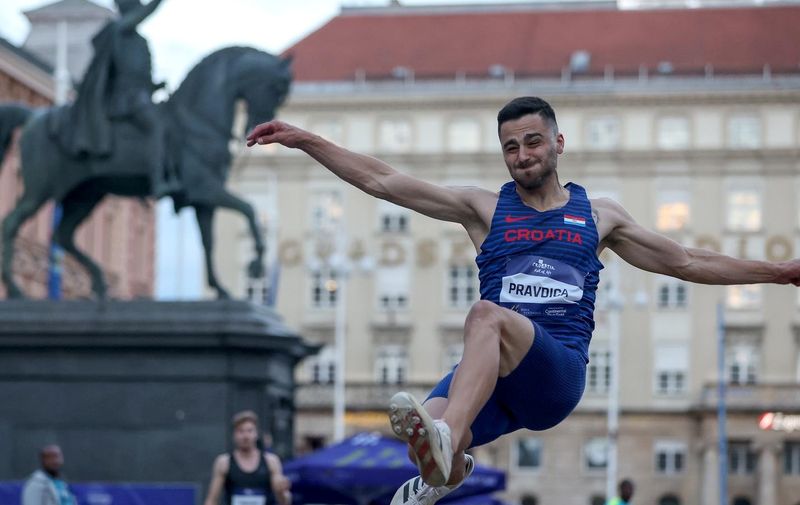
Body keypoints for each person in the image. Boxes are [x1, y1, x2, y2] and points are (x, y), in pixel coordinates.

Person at [245, 96, 800, 505]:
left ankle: (448, 445)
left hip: (554, 373)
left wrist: (779, 272)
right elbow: (385, 181)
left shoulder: (599, 216)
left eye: (533, 141)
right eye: (510, 146)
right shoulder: (483, 208)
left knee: (485, 316)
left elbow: (687, 261)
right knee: (420, 424)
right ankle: (448, 466)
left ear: (558, 144)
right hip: (493, 378)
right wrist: (306, 140)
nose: (522, 154)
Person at [55, 0, 179, 197]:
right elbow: (126, 77)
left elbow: (139, 75)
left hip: (141, 96)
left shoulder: (138, 41)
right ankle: (158, 181)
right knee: (157, 126)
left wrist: (156, 86)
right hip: (126, 99)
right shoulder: (119, 29)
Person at [204, 410, 291, 505]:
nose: (246, 436)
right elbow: (212, 500)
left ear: (256, 434)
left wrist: (281, 492)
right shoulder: (224, 462)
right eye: (241, 431)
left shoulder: (271, 461)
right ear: (234, 435)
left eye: (250, 431)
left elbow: (284, 501)